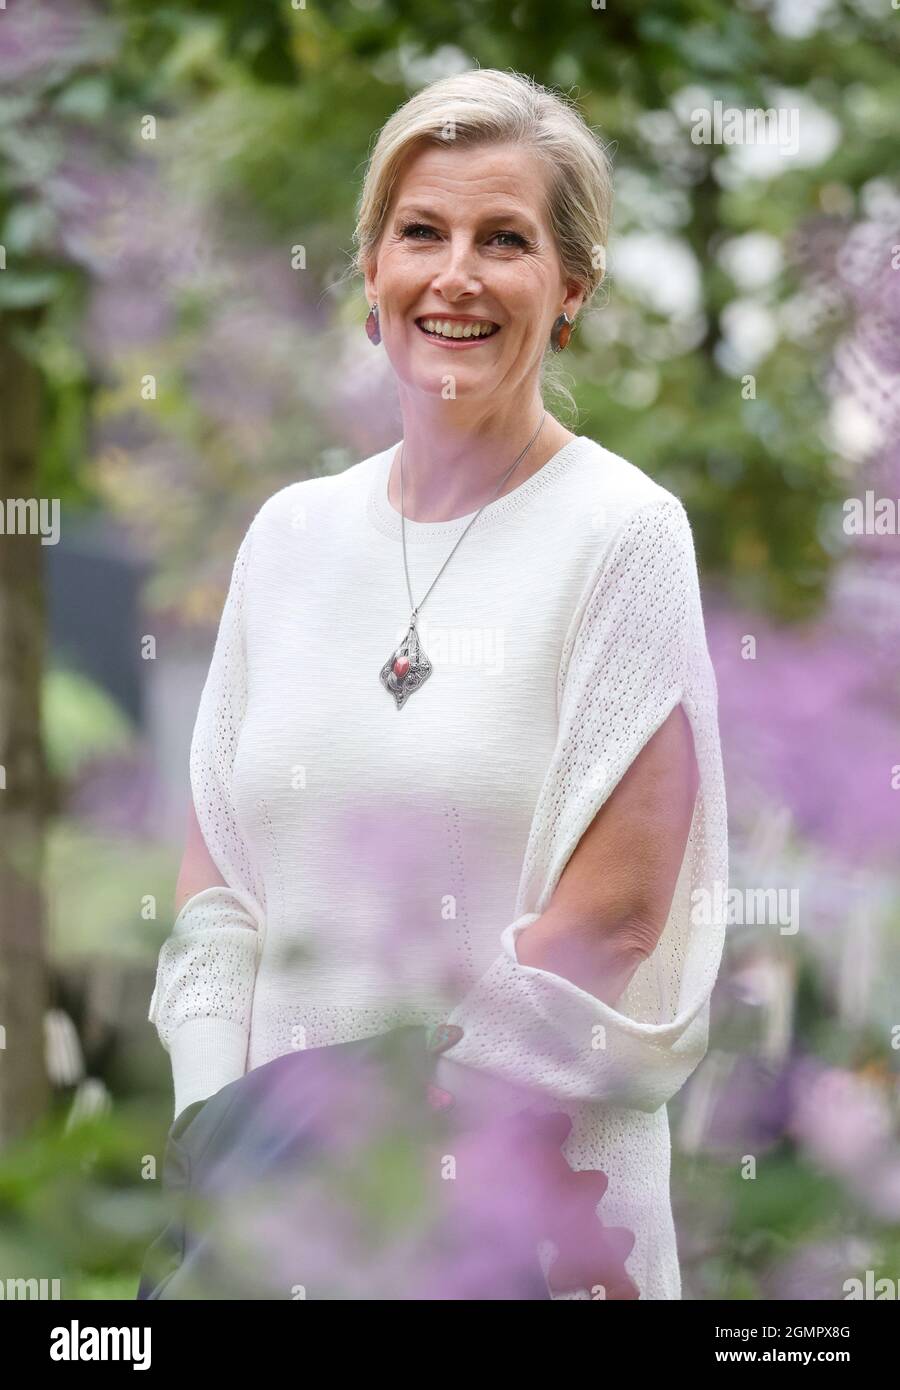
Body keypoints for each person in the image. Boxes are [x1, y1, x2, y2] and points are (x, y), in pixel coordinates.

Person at [147, 66, 729, 1300]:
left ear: (570, 289)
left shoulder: (624, 533)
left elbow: (615, 920)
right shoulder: (287, 539)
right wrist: (221, 1136)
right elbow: (219, 895)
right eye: (423, 231)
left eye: (504, 239)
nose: (455, 273)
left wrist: (376, 1159)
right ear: (373, 271)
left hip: (519, 1227)